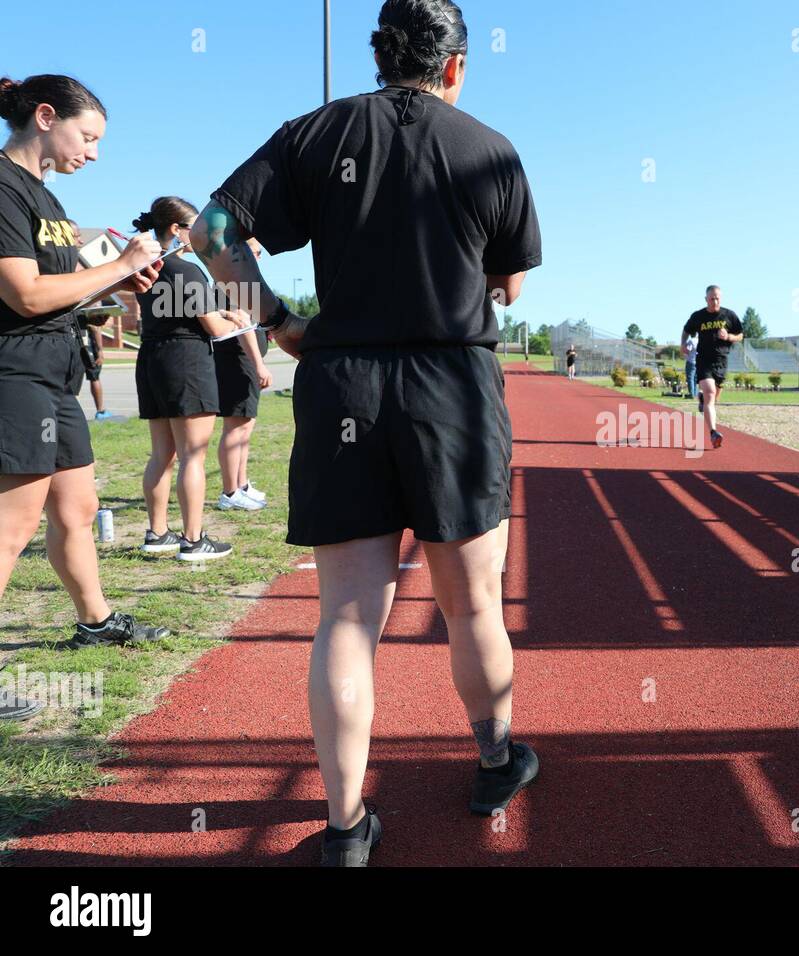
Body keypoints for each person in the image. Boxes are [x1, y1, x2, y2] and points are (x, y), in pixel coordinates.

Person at [191, 0, 543, 867]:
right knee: (472, 603)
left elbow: (213, 232)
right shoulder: (489, 148)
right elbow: (511, 289)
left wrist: (274, 317)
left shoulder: (316, 133)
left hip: (344, 379)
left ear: (380, 56)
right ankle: (496, 762)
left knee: (348, 618)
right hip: (452, 383)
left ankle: (346, 829)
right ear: (456, 66)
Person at [0, 73, 171, 648]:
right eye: (88, 137)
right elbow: (24, 295)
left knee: (78, 507)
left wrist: (116, 291)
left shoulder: (45, 195)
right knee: (12, 525)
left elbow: (62, 292)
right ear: (46, 117)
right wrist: (119, 265)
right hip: (14, 370)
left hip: (56, 370)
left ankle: (95, 623)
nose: (94, 153)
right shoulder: (2, 185)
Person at [133, 196, 249, 559]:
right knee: (192, 456)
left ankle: (157, 533)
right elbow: (211, 326)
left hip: (152, 358)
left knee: (161, 455)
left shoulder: (148, 267)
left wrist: (224, 314)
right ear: (175, 229)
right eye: (192, 227)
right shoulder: (186, 269)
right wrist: (237, 318)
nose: (198, 234)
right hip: (185, 361)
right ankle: (194, 539)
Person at [213, 236, 272, 510]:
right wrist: (259, 364)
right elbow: (242, 324)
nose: (259, 258)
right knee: (235, 427)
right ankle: (229, 491)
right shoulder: (234, 280)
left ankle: (242, 484)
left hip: (243, 361)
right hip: (237, 361)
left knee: (245, 425)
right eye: (256, 252)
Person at [682, 285, 742, 448]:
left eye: (717, 298)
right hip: (704, 360)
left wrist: (729, 336)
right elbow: (686, 330)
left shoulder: (729, 315)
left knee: (713, 400)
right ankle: (713, 433)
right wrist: (683, 344)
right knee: (710, 392)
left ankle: (703, 400)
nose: (714, 301)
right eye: (711, 298)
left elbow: (740, 335)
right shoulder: (698, 316)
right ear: (706, 299)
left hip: (722, 360)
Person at [68, 222, 111, 420]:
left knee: (93, 376)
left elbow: (95, 316)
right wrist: (100, 348)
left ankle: (100, 411)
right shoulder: (69, 268)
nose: (81, 240)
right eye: (77, 236)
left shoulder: (79, 265)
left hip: (81, 336)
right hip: (71, 340)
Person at [682, 332, 697, 400]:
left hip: (691, 361)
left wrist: (684, 346)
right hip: (698, 361)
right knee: (695, 378)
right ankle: (695, 393)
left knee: (690, 378)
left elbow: (687, 350)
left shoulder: (691, 341)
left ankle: (691, 394)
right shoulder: (699, 340)